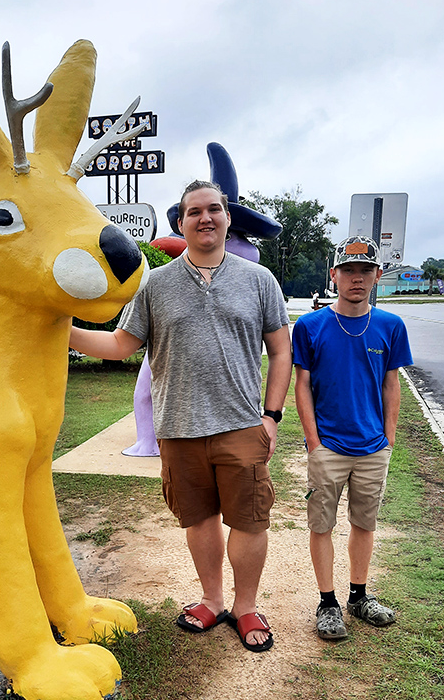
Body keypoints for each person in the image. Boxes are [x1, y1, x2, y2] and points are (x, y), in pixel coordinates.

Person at [70, 181, 291, 651]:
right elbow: (120, 345)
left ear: (227, 218)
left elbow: (280, 351)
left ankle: (246, 607)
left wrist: (271, 415)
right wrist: (60, 331)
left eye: (214, 209)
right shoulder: (155, 285)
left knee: (250, 521)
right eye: (195, 212)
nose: (205, 218)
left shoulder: (259, 280)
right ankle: (212, 600)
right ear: (180, 223)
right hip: (178, 430)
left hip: (240, 425)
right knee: (199, 521)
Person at [292, 236, 413, 640]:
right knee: (321, 524)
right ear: (334, 276)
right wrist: (314, 442)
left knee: (365, 522)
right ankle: (327, 603)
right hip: (328, 446)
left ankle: (358, 596)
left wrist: (388, 439)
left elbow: (391, 385)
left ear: (377, 276)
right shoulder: (310, 326)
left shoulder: (390, 326)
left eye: (365, 271)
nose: (356, 279)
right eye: (348, 270)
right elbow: (302, 385)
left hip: (373, 446)